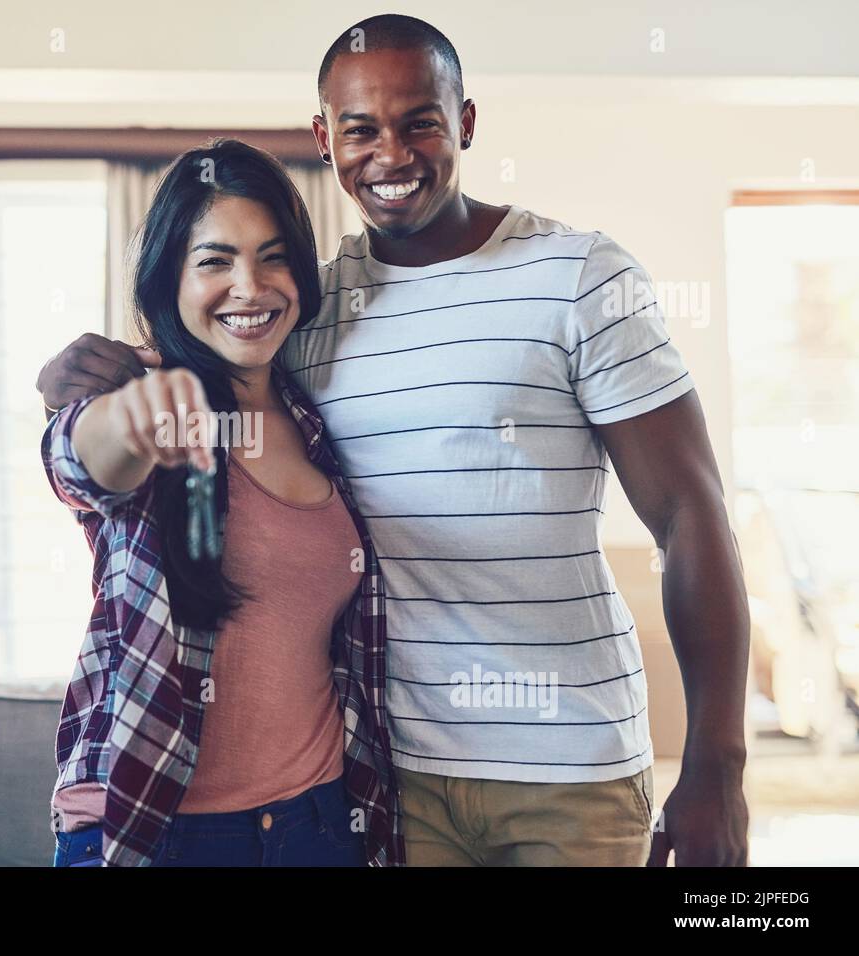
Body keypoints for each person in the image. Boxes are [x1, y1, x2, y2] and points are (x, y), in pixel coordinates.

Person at [38, 15, 750, 867]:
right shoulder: (313, 303)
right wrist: (91, 378)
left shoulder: (582, 276)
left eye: (420, 121)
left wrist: (717, 760)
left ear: (467, 123)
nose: (392, 154)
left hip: (569, 765)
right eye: (360, 128)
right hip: (389, 774)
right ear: (323, 137)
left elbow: (689, 512)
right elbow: (212, 346)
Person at [42, 138, 403, 866]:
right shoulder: (134, 400)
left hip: (319, 821)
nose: (250, 286)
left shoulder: (317, 423)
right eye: (214, 261)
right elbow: (81, 460)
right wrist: (135, 415)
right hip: (156, 829)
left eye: (272, 257)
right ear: (167, 282)